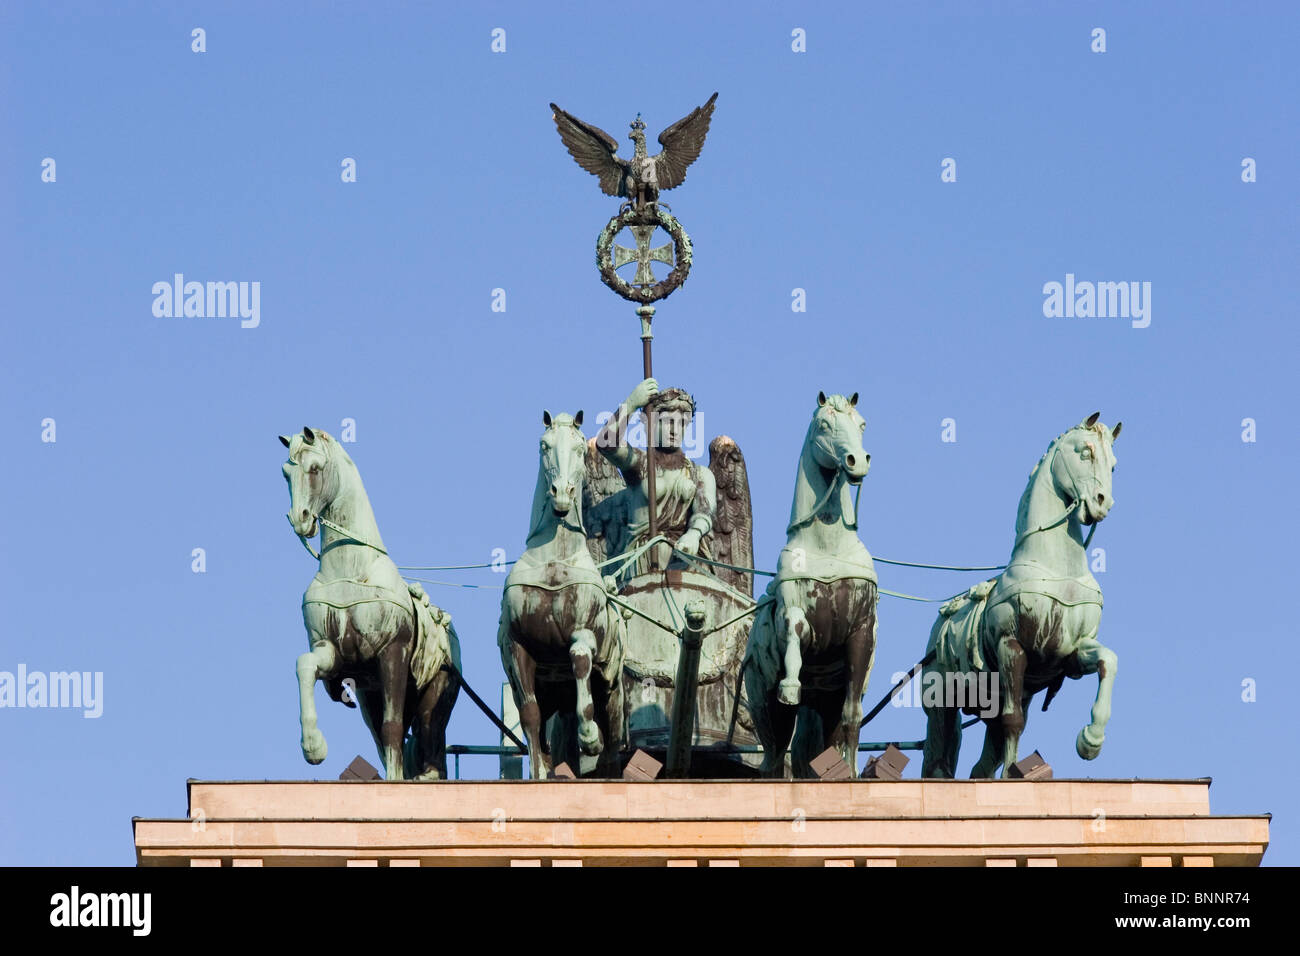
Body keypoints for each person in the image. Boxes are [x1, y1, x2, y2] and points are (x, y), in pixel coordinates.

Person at [594, 377, 716, 581]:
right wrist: (631, 403)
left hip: (687, 561)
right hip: (642, 564)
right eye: (667, 421)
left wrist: (694, 534)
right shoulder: (640, 464)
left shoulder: (700, 474)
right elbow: (606, 442)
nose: (675, 430)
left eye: (682, 423)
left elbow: (704, 511)